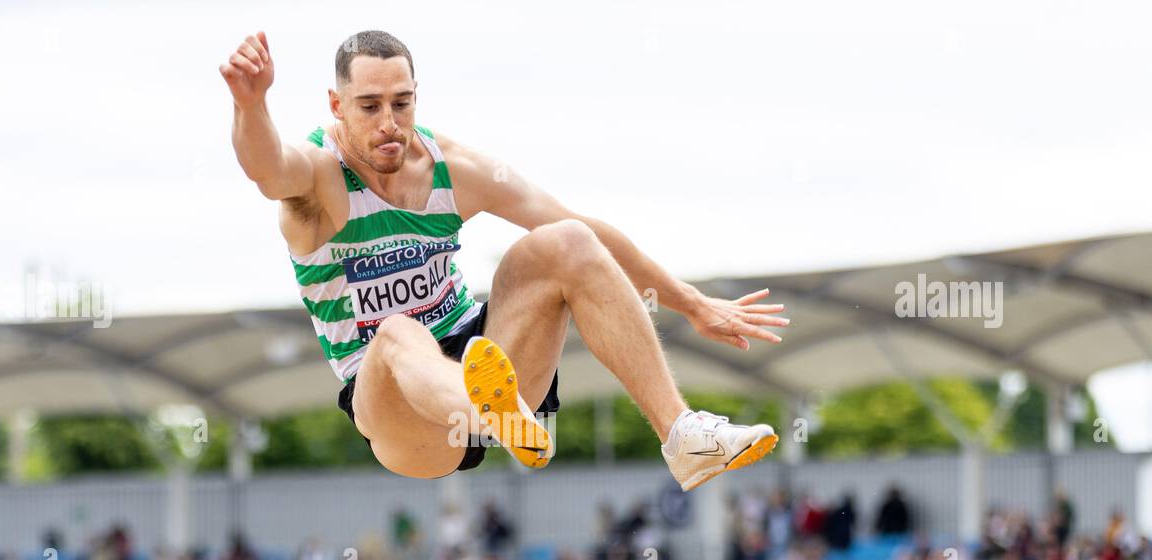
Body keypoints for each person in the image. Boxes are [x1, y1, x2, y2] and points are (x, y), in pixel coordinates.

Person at [220, 30, 788, 489]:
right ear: (336, 104)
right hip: (401, 412)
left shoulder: (454, 168)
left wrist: (691, 304)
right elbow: (267, 167)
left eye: (402, 103)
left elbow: (584, 228)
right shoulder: (318, 177)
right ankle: (485, 410)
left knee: (565, 238)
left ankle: (682, 435)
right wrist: (251, 104)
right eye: (369, 107)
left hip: (490, 363)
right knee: (396, 332)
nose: (389, 124)